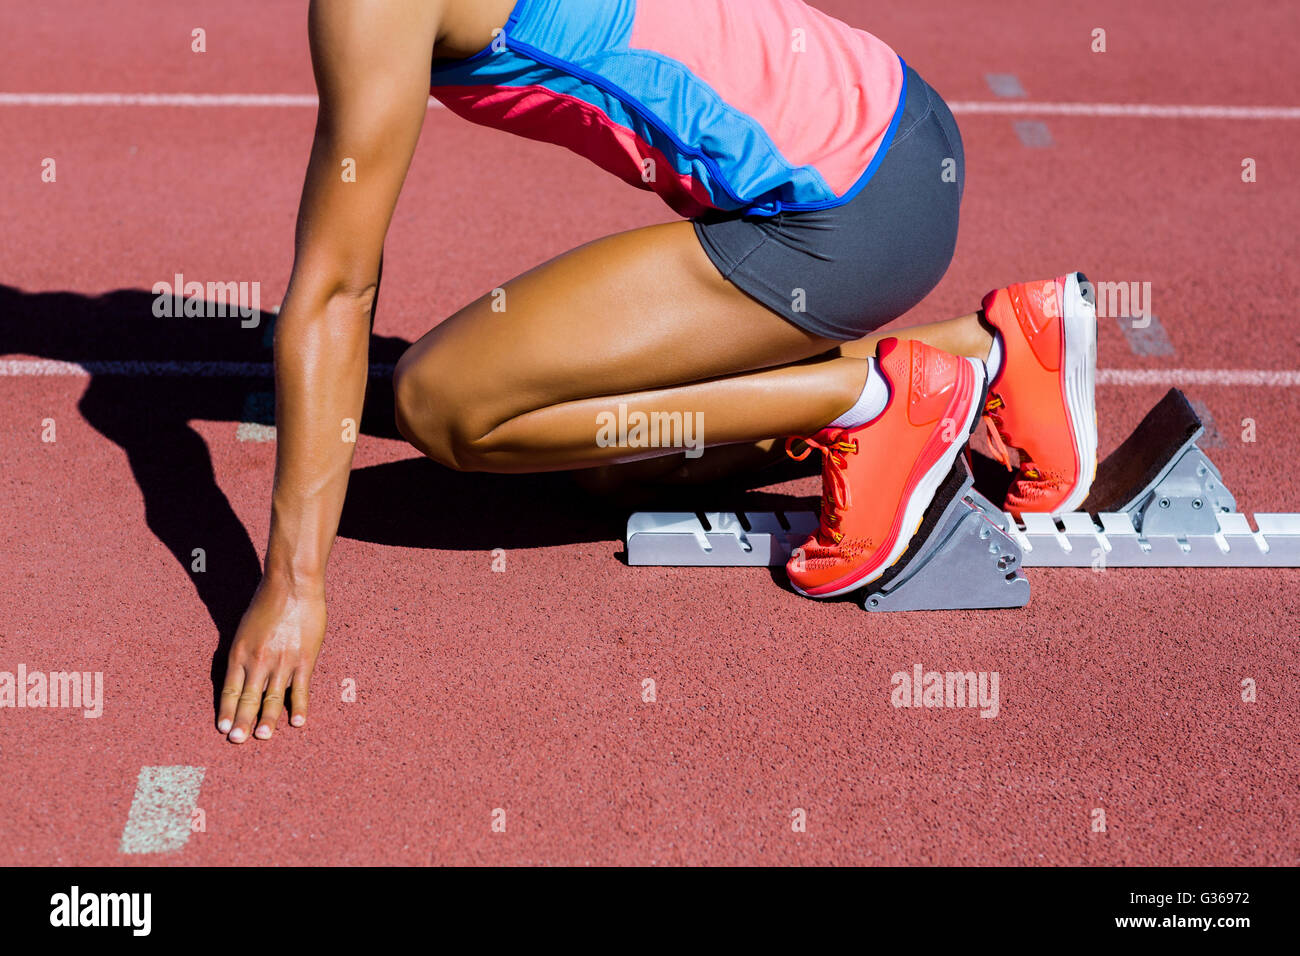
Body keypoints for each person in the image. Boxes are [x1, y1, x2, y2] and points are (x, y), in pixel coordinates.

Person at [217, 0, 1097, 743]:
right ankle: (996, 352)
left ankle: (868, 402)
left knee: (444, 402)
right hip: (894, 121)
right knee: (613, 456)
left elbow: (337, 290)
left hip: (845, 217)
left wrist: (292, 586)